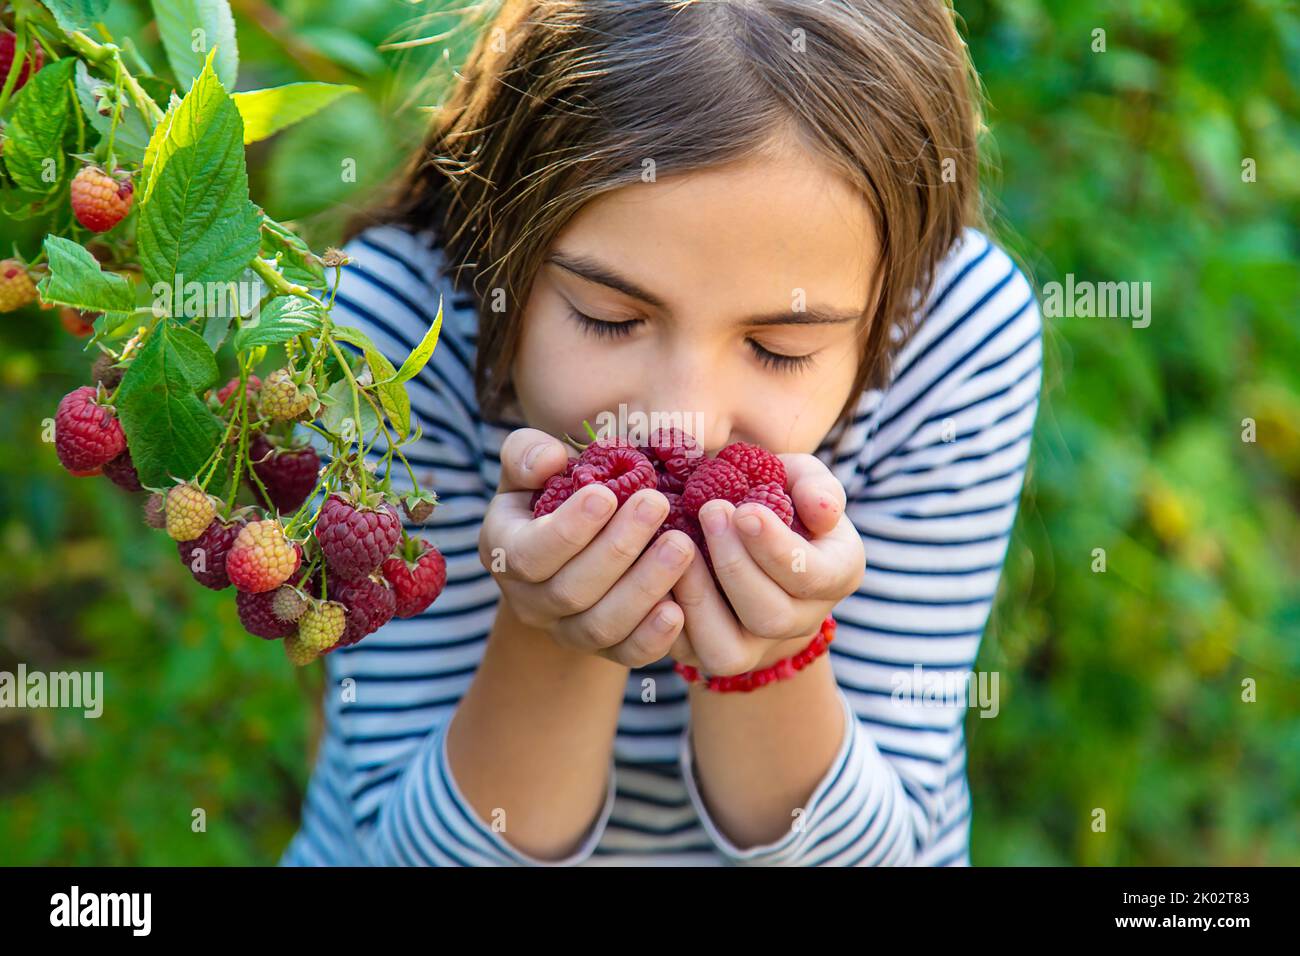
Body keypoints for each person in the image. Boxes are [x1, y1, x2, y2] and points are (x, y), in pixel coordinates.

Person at [280, 0, 1042, 866]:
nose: (685, 419)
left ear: (886, 304)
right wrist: (549, 628)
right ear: (502, 237)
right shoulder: (391, 336)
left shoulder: (954, 335)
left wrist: (769, 662)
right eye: (609, 318)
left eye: (776, 347)